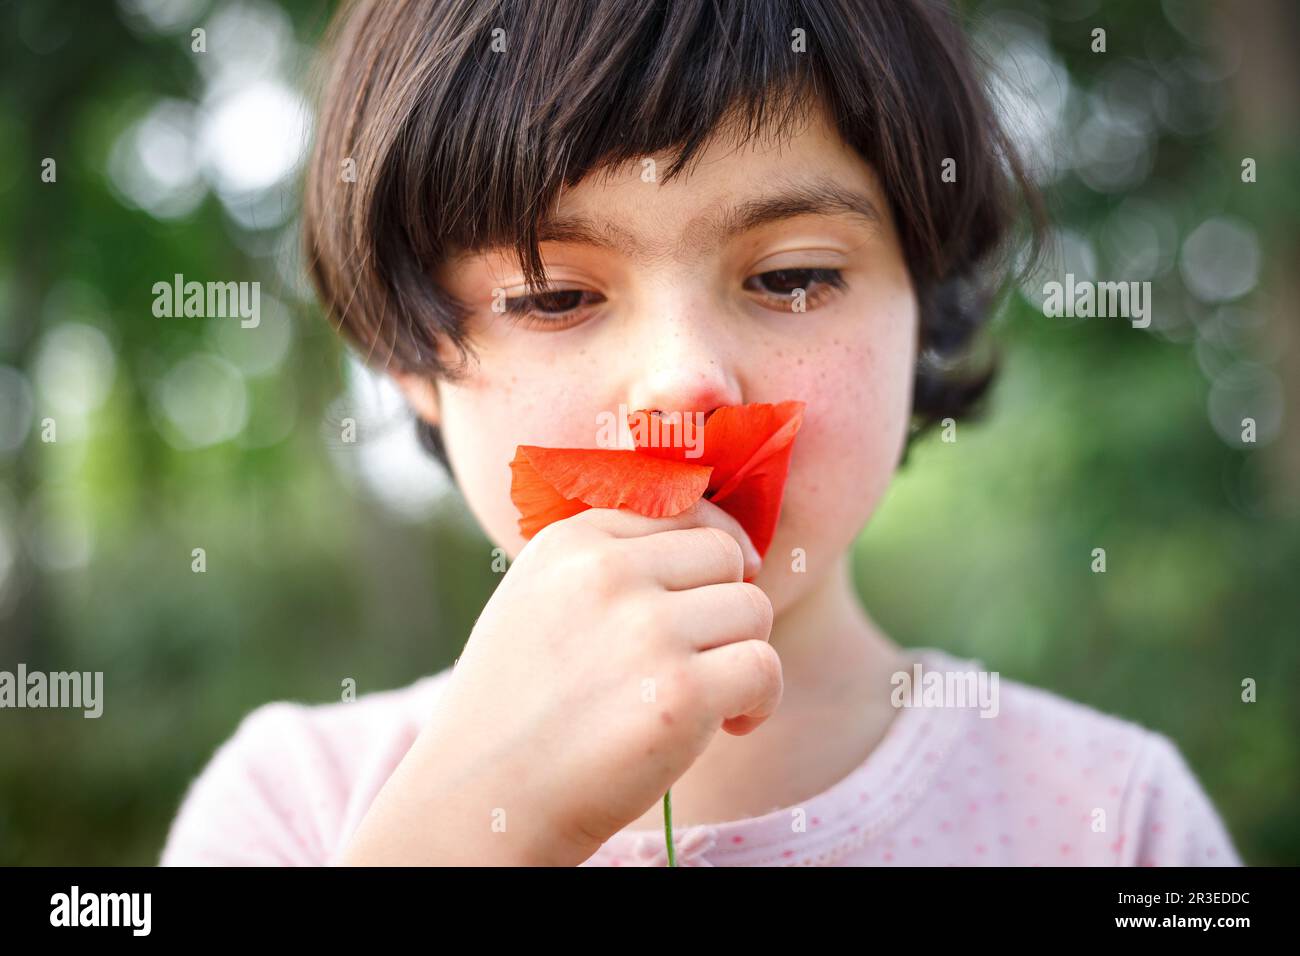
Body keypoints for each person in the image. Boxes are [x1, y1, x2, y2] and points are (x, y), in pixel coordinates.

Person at [159, 0, 1242, 867]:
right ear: (410, 364)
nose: (683, 377)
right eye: (549, 295)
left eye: (792, 277)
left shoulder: (1116, 819)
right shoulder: (293, 805)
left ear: (926, 307)